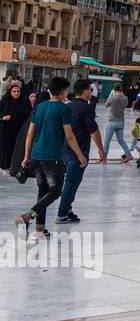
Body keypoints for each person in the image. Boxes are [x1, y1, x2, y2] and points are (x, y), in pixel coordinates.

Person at [15, 77, 87, 239]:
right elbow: (69, 137)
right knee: (55, 191)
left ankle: (40, 229)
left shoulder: (40, 107)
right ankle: (28, 217)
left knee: (43, 190)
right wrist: (80, 155)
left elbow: (29, 135)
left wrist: (26, 156)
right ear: (62, 92)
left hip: (36, 156)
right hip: (52, 157)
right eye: (66, 90)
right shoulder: (64, 109)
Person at [54, 79, 105, 224]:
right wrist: (101, 150)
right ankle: (62, 213)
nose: (91, 92)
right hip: (78, 151)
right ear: (85, 91)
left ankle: (67, 208)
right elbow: (93, 130)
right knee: (71, 182)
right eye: (90, 89)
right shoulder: (86, 108)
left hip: (63, 150)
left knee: (73, 181)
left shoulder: (67, 106)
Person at [0, 81, 33, 170]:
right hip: (6, 130)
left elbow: (26, 115)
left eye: (18, 91)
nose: (16, 93)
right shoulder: (5, 102)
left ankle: (14, 166)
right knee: (5, 148)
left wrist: (13, 117)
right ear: (10, 92)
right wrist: (3, 118)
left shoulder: (23, 103)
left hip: (18, 130)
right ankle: (5, 166)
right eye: (14, 91)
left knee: (16, 148)